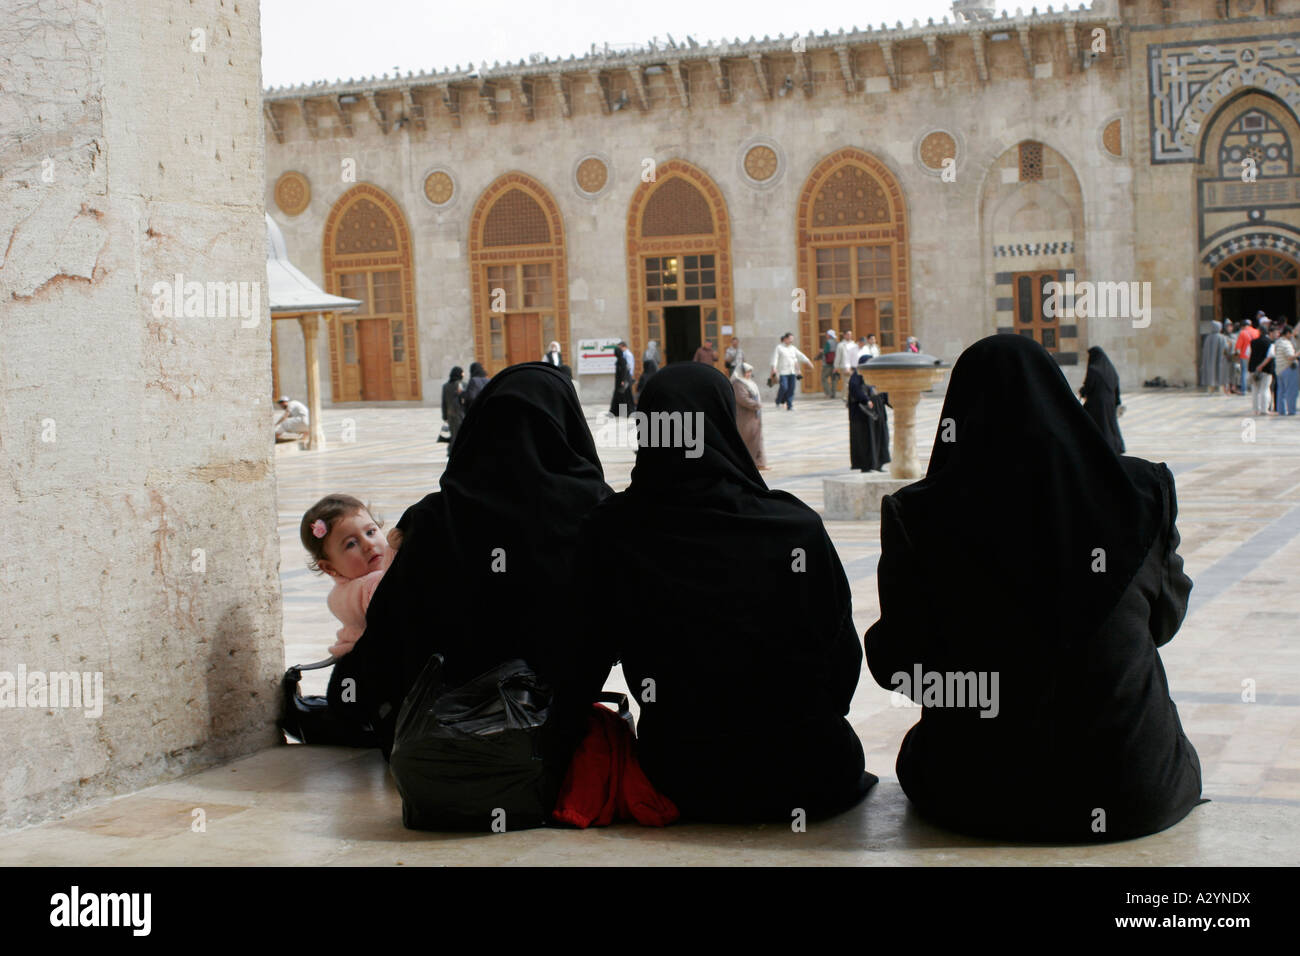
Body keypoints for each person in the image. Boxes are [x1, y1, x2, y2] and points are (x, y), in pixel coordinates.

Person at [864, 333, 1202, 842]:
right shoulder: (1140, 493)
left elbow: (900, 667)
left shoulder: (920, 515)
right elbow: (1165, 621)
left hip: (971, 792)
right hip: (1135, 787)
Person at [574, 362, 875, 821]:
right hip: (811, 770)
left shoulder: (613, 530)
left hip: (681, 774)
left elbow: (589, 655)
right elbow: (842, 666)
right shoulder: (794, 529)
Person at [328, 363, 614, 756]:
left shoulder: (434, 518)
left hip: (444, 743)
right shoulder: (597, 513)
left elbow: (388, 637)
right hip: (556, 739)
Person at [300, 494, 399, 659]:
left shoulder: (341, 593)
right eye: (351, 543)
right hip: (375, 664)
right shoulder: (361, 588)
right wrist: (395, 551)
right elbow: (391, 590)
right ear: (329, 567)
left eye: (370, 531)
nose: (369, 544)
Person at [847, 355, 890, 472]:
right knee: (864, 439)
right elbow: (855, 389)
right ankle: (865, 466)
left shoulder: (876, 374)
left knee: (880, 437)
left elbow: (883, 388)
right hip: (863, 413)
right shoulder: (856, 376)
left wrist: (889, 401)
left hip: (877, 411)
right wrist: (866, 399)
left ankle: (878, 464)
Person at [1079, 346, 1125, 455]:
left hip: (1096, 403)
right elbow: (1116, 387)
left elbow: (1089, 386)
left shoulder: (1093, 369)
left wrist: (1082, 391)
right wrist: (1116, 401)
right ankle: (1115, 446)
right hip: (1110, 403)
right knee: (1109, 425)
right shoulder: (1111, 369)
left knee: (1096, 425)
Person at [731, 362, 767, 470]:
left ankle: (759, 463)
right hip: (745, 417)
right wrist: (756, 405)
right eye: (746, 372)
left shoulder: (749, 382)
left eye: (750, 372)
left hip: (754, 416)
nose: (748, 374)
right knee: (748, 439)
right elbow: (742, 399)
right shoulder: (738, 384)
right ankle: (748, 464)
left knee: (757, 439)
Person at [769, 332, 814, 411]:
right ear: (785, 339)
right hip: (783, 372)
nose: (791, 341)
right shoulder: (779, 347)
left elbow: (800, 355)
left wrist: (808, 361)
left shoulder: (793, 348)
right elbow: (775, 358)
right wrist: (774, 367)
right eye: (790, 339)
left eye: (792, 339)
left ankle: (790, 406)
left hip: (792, 372)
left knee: (791, 389)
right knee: (784, 387)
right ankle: (778, 400)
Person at [1249, 322, 1279, 415]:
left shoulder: (1253, 342)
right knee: (1265, 389)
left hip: (1253, 368)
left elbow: (1247, 354)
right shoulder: (1270, 342)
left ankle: (1255, 409)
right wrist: (1261, 366)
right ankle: (1264, 409)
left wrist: (1255, 367)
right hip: (1266, 369)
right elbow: (1270, 355)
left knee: (1255, 390)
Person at [1200, 320, 1230, 393]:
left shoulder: (1208, 338)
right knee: (1219, 372)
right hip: (1220, 360)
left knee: (1211, 373)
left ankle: (1211, 388)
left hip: (1210, 361)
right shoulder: (1222, 338)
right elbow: (1226, 348)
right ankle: (1220, 388)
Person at [1275, 324, 1298, 416]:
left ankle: (1281, 410)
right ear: (1287, 333)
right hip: (1287, 368)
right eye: (1291, 334)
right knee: (1291, 391)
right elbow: (1290, 357)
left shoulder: (1278, 342)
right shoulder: (1286, 343)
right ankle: (1291, 410)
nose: (1292, 336)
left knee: (1281, 391)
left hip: (1279, 369)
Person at [441, 366, 464, 450]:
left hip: (450, 414)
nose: (463, 374)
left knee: (453, 434)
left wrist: (444, 416)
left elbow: (444, 402)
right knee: (459, 434)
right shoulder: (460, 384)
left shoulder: (445, 386)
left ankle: (452, 450)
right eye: (462, 372)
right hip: (460, 414)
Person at [610, 342, 636, 416]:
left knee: (626, 396)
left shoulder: (626, 356)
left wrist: (624, 380)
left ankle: (629, 411)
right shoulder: (621, 358)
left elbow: (627, 368)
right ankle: (618, 411)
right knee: (621, 395)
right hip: (623, 379)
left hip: (625, 379)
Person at [1235, 318, 1258, 395]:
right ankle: (1254, 389)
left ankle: (1244, 390)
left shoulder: (1242, 333)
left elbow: (1238, 347)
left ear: (1242, 326)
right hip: (1255, 355)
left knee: (1244, 372)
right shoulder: (1256, 331)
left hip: (1244, 355)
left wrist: (1237, 356)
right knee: (1254, 371)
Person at [822, 329, 839, 398]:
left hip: (827, 363)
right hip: (835, 363)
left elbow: (825, 351)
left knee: (824, 378)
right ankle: (834, 394)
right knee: (834, 378)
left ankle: (828, 393)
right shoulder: (837, 342)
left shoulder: (828, 342)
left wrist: (822, 351)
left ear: (829, 335)